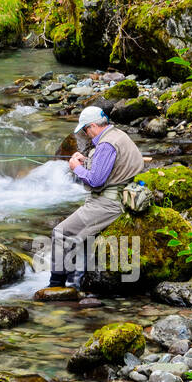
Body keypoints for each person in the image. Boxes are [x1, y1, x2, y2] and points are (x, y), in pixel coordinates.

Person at [48, 105, 145, 287]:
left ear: (93, 126)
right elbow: (112, 166)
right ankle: (76, 277)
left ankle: (56, 284)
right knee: (75, 234)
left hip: (109, 203)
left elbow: (96, 181)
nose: (86, 134)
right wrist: (87, 161)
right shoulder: (118, 135)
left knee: (60, 233)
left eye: (85, 130)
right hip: (122, 195)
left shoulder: (106, 144)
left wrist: (76, 168)